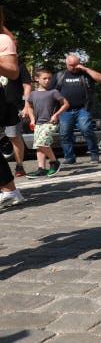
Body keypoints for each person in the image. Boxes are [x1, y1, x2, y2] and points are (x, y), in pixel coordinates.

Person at [48, 54, 101, 164]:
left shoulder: (85, 74)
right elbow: (50, 92)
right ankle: (69, 158)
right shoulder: (60, 75)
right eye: (71, 65)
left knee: (86, 129)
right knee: (64, 134)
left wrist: (86, 69)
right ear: (66, 64)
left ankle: (94, 154)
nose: (73, 67)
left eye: (76, 65)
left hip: (83, 109)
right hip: (65, 110)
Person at [25, 69, 68, 177]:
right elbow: (29, 106)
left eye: (49, 78)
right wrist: (32, 119)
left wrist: (56, 115)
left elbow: (66, 104)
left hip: (50, 123)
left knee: (42, 143)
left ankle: (54, 162)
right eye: (44, 78)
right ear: (37, 79)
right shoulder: (33, 94)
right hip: (38, 123)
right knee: (39, 147)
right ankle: (41, 169)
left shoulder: (53, 92)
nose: (47, 81)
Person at [0, 24, 24, 208]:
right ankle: (10, 190)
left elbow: (13, 71)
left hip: (7, 103)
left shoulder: (4, 40)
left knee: (15, 138)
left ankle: (10, 190)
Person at [2, 56, 32, 177]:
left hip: (13, 107)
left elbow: (27, 86)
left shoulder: (18, 65)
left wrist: (27, 106)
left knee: (14, 137)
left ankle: (19, 165)